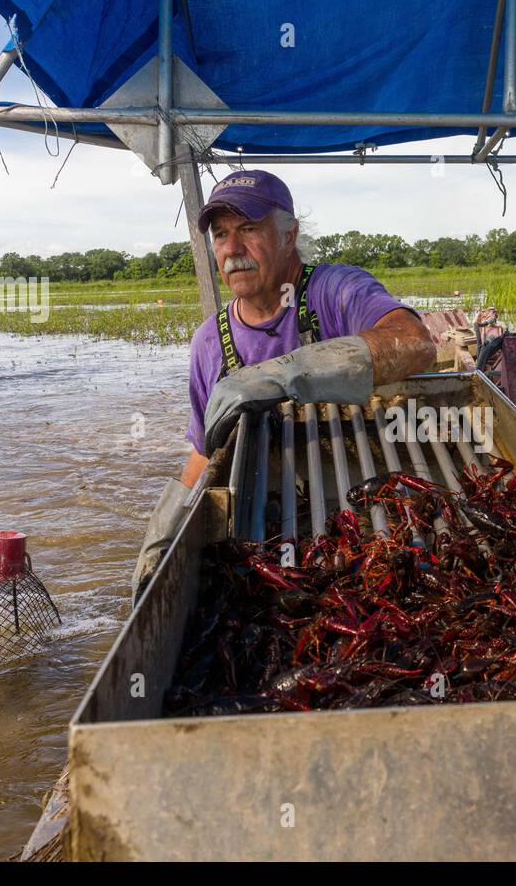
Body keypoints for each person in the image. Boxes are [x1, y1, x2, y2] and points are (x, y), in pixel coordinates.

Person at [131, 170, 435, 598]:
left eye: (249, 229)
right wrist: (163, 534)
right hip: (272, 527)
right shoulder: (209, 343)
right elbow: (205, 450)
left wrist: (281, 374)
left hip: (370, 515)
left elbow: (416, 343)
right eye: (220, 235)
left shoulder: (332, 292)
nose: (233, 249)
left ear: (289, 235)